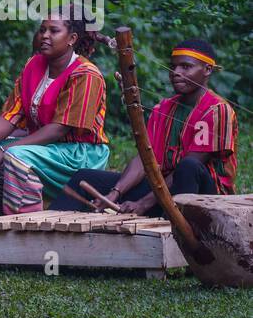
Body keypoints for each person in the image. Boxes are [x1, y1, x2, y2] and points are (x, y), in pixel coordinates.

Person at [0, 8, 111, 219]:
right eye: (42, 30)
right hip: (42, 148)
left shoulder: (86, 75)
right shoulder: (33, 65)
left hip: (78, 154)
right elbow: (11, 115)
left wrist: (4, 149)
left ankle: (24, 226)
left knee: (16, 157)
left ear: (72, 39)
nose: (45, 35)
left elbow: (58, 129)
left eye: (53, 31)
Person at [52, 39, 237, 214]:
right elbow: (145, 159)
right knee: (84, 177)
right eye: (173, 67)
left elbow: (191, 168)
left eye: (186, 67)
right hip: (162, 191)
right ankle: (46, 229)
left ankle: (173, 229)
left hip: (205, 200)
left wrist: (143, 204)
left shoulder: (217, 110)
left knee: (187, 167)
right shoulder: (163, 108)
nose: (176, 72)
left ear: (207, 70)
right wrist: (115, 193)